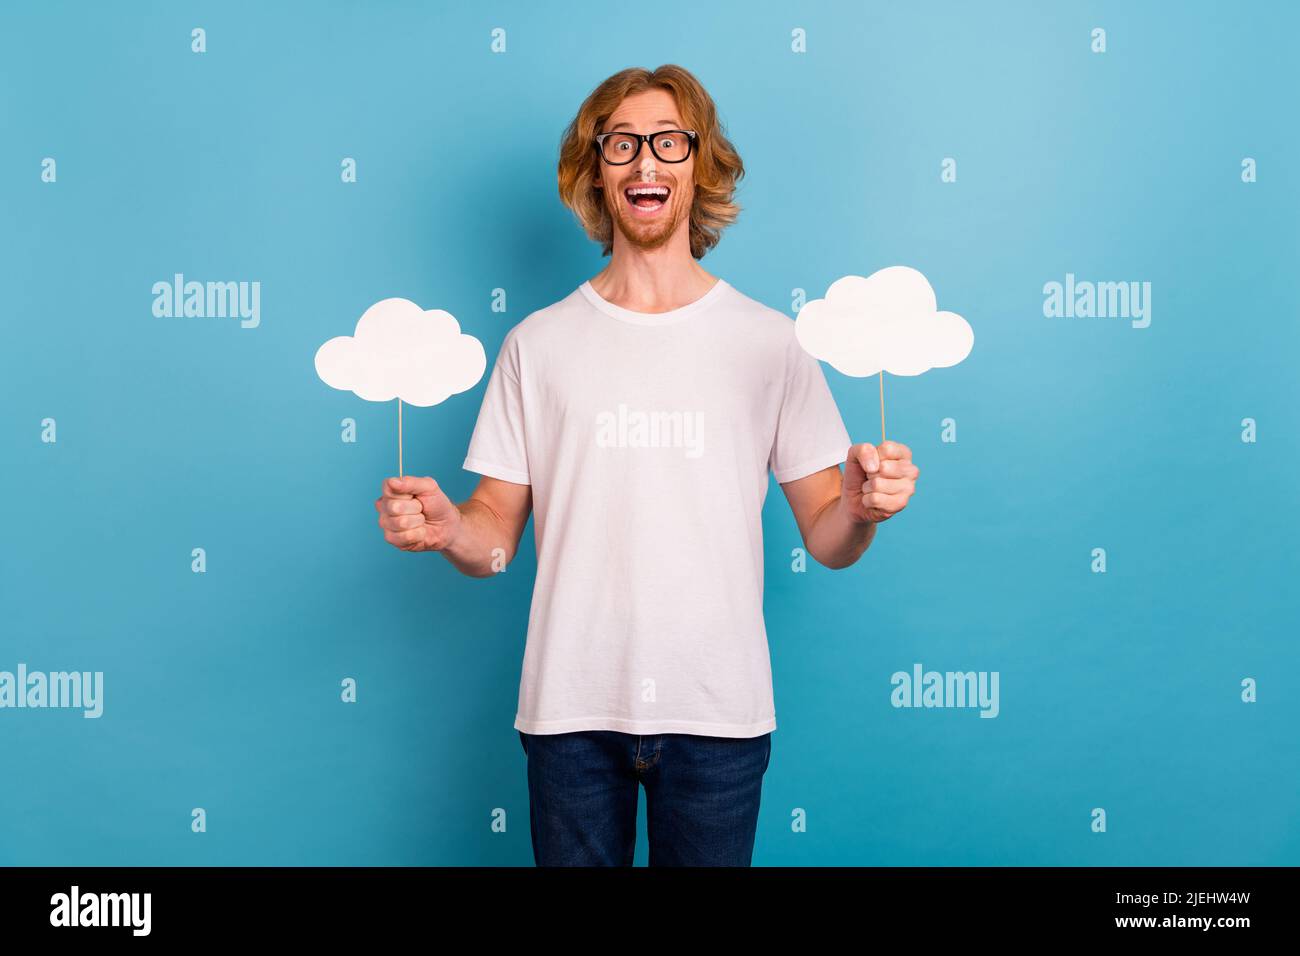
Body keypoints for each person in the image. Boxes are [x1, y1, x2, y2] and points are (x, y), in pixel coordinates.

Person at [375, 64, 919, 866]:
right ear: (597, 171)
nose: (644, 161)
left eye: (668, 141)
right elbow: (494, 537)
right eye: (621, 144)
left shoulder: (772, 342)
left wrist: (863, 510)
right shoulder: (537, 344)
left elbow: (828, 539)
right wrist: (451, 527)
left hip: (718, 714)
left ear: (700, 164)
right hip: (569, 714)